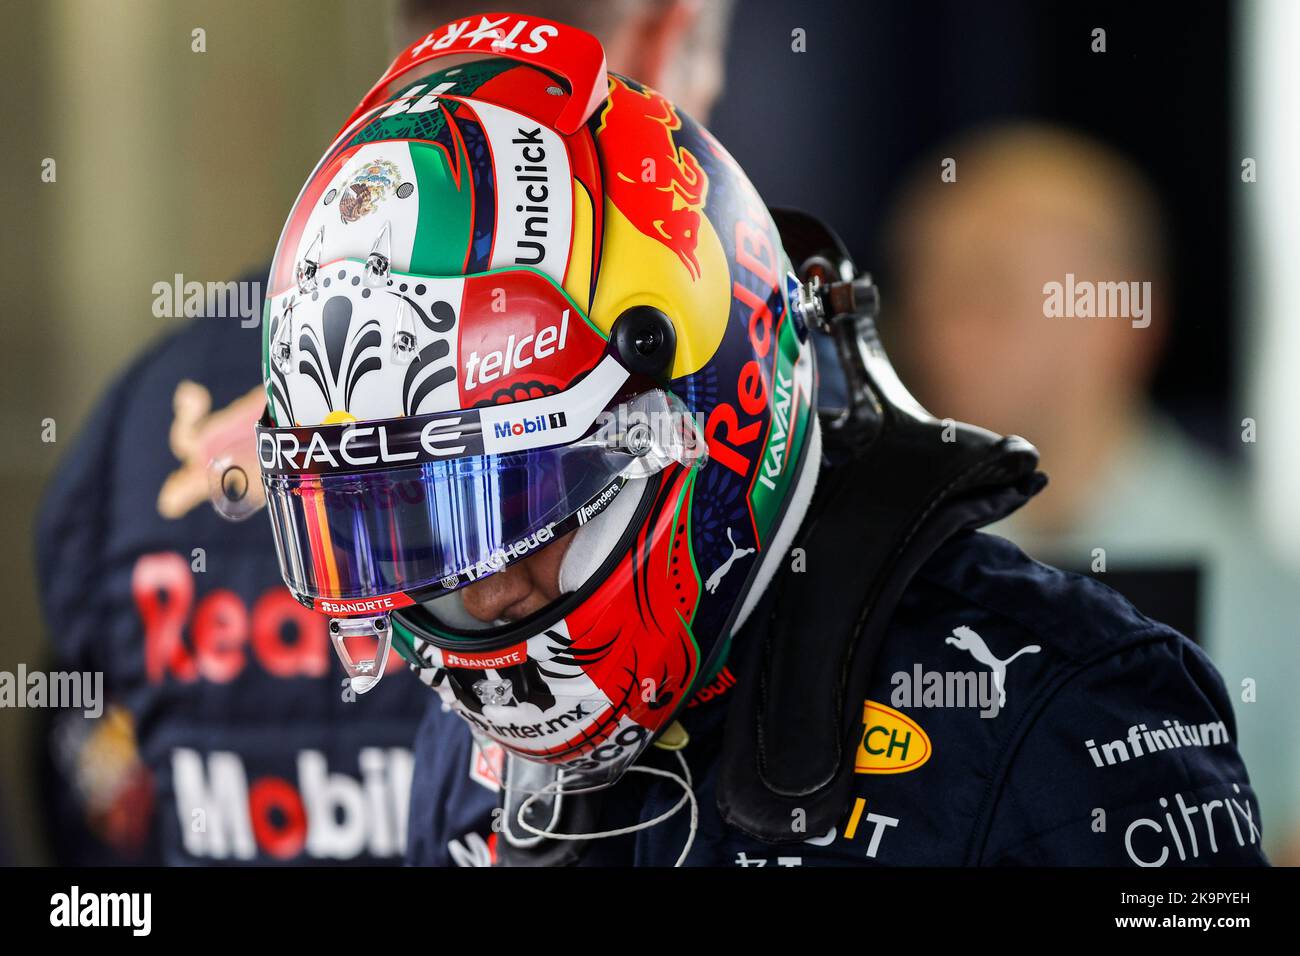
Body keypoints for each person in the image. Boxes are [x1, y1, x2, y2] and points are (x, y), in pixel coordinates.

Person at [234, 11, 1269, 867]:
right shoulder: (465, 748)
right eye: (410, 524)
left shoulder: (1067, 716)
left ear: (697, 406)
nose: (484, 588)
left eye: (515, 505)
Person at [33, 0, 736, 867]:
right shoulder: (748, 393)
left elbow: (88, 835)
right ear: (666, 37)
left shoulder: (139, 415)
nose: (486, 591)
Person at [882, 124, 1300, 862]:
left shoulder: (1260, 596)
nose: (935, 332)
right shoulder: (879, 556)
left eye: (988, 292)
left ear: (1115, 318)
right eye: (925, 292)